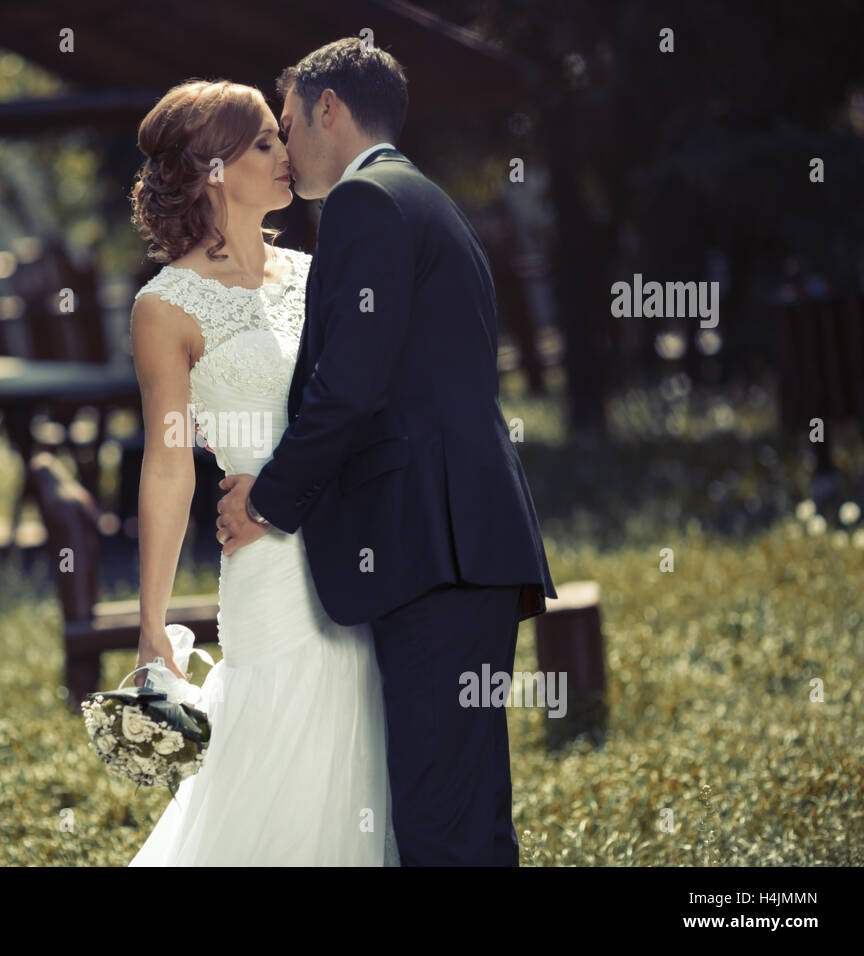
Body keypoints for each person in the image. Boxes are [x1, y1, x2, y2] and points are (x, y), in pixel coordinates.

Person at [216, 38, 556, 865]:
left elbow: (350, 385)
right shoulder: (419, 196)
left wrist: (265, 500)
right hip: (458, 540)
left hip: (436, 545)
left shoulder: (368, 203)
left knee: (442, 822)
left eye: (289, 124)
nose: (287, 149)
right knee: (460, 809)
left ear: (329, 108)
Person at [126, 74, 398, 865]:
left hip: (349, 543)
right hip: (266, 569)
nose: (289, 153)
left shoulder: (316, 273)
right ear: (214, 169)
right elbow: (169, 464)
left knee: (362, 751)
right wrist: (151, 623)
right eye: (266, 144)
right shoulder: (165, 307)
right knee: (276, 753)